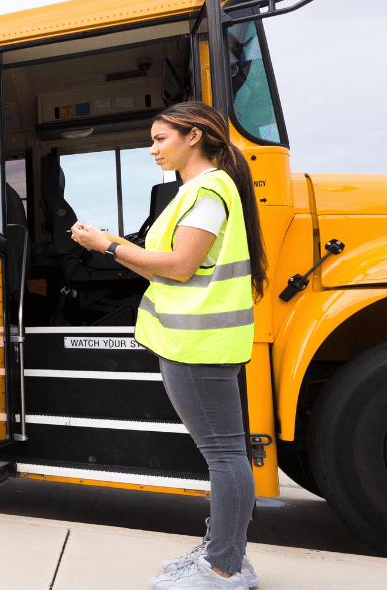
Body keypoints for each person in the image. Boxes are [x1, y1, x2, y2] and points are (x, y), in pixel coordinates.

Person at [70, 101, 266, 590]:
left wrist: (107, 246)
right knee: (225, 453)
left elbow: (179, 266)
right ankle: (225, 554)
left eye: (160, 138)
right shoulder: (203, 189)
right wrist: (109, 243)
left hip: (196, 341)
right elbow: (164, 265)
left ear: (193, 136)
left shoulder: (207, 189)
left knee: (224, 456)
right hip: (194, 339)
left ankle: (222, 568)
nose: (152, 148)